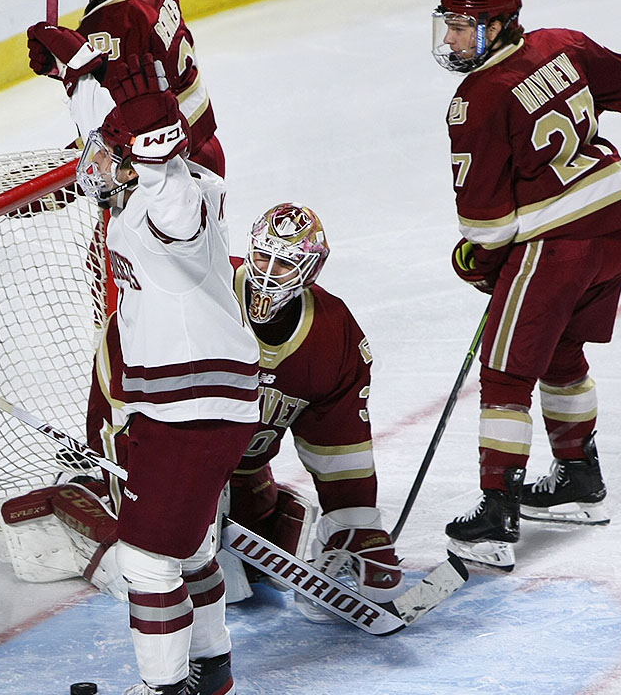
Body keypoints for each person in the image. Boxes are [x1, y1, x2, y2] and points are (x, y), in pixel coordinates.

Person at [50, 53, 259, 695]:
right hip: (185, 404)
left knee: (144, 559)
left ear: (148, 158)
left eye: (112, 155)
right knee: (190, 546)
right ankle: (212, 679)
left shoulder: (179, 201)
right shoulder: (149, 181)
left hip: (196, 408)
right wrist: (78, 82)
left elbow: (173, 202)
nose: (96, 167)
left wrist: (156, 155)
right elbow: (122, 147)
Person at [430, 0, 621, 571]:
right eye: (447, 26)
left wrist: (476, 264)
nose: (451, 41)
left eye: (462, 28)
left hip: (554, 247)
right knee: (559, 353)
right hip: (614, 227)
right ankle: (580, 479)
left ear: (499, 25)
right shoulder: (565, 44)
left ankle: (496, 516)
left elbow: (488, 227)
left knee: (505, 373)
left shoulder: (476, 101)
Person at [81, 203, 405, 619]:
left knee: (262, 546)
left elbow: (338, 441)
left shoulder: (332, 334)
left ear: (311, 271)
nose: (269, 272)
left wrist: (354, 519)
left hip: (238, 463)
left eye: (285, 263)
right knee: (162, 561)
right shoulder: (203, 293)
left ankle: (235, 502)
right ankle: (94, 507)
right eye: (264, 256)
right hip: (158, 441)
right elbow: (124, 346)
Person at [26, 0, 223, 176]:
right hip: (198, 140)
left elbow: (116, 124)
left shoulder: (115, 23)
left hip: (169, 166)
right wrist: (64, 65)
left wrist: (56, 184)